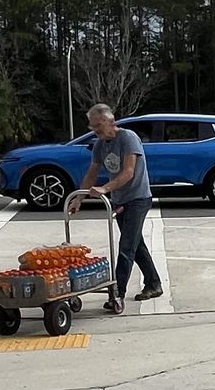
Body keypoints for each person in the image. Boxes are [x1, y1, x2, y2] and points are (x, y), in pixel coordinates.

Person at [69, 103, 163, 315]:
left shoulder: (128, 138)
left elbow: (129, 171)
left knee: (126, 247)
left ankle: (117, 293)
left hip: (138, 198)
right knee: (136, 245)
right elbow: (91, 173)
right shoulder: (100, 145)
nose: (95, 131)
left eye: (98, 126)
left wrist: (106, 188)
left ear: (110, 122)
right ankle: (154, 283)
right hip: (120, 200)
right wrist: (79, 198)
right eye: (92, 127)